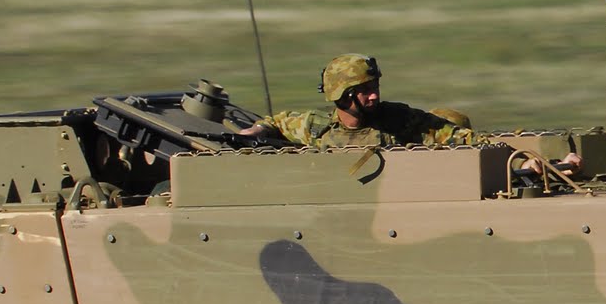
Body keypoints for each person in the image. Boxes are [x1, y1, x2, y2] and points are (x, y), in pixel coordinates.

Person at [245, 53, 583, 173]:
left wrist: (518, 162)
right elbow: (278, 121)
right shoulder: (314, 128)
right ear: (342, 96)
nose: (375, 95)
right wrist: (256, 132)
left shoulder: (399, 120)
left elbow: (466, 140)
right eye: (364, 91)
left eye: (374, 86)